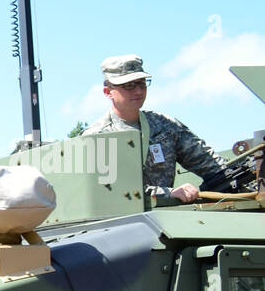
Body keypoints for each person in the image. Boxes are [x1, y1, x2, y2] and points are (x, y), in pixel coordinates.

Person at [82, 54, 229, 203]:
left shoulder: (165, 126)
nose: (138, 91)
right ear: (108, 92)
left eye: (142, 84)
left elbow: (210, 164)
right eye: (129, 86)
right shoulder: (96, 137)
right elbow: (112, 191)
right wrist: (166, 194)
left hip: (168, 218)